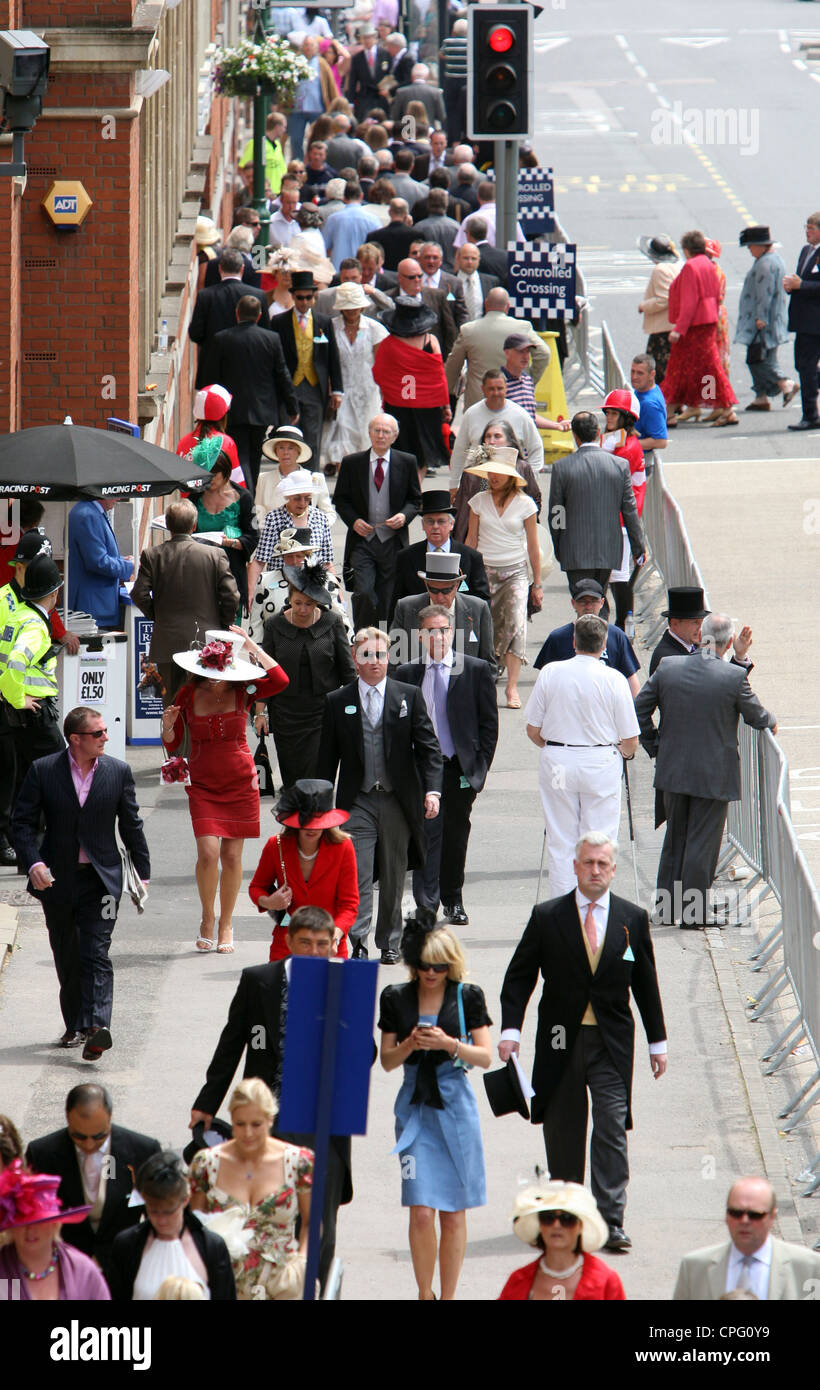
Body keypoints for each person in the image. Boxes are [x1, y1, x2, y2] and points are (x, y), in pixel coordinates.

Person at [499, 832, 667, 1253]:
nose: (595, 870)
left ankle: (611, 1222)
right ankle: (568, 1215)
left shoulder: (632, 918)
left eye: (603, 864)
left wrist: (657, 1041)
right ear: (575, 867)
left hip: (612, 1043)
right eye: (588, 863)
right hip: (560, 1042)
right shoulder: (547, 917)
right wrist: (511, 1031)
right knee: (564, 1130)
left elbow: (645, 983)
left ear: (612, 870)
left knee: (611, 1125)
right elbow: (520, 976)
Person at [189, 907, 349, 1291]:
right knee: (264, 1217)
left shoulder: (344, 985)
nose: (313, 952)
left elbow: (365, 1056)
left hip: (321, 1118)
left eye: (322, 945)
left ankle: (311, 1290)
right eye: (305, 943)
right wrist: (207, 1103)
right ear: (289, 942)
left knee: (319, 1223)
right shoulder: (259, 980)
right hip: (264, 1117)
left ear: (333, 946)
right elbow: (231, 1043)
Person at [14, 706, 150, 1060]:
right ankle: (75, 1022)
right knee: (67, 951)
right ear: (75, 739)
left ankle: (96, 1027)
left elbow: (131, 825)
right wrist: (34, 863)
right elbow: (22, 824)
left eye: (106, 731)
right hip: (56, 880)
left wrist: (142, 872)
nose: (106, 737)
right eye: (98, 733)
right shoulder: (44, 771)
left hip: (102, 879)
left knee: (96, 951)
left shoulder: (118, 772)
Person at [636, 613, 777, 928]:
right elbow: (756, 715)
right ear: (727, 643)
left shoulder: (669, 667)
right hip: (712, 774)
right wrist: (772, 721)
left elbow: (639, 710)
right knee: (703, 843)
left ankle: (667, 908)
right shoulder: (731, 677)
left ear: (700, 636)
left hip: (673, 769)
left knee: (676, 838)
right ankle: (692, 914)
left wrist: (655, 745)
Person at [378, 914, 491, 1300]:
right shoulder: (395, 997)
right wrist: (410, 1044)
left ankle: (448, 1296)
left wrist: (448, 1044)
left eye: (440, 966)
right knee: (421, 1210)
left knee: (454, 1212)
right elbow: (387, 1061)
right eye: (424, 965)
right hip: (414, 1108)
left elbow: (485, 1056)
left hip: (456, 1105)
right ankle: (424, 1293)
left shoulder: (467, 995)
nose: (431, 973)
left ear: (451, 964)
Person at [317, 626, 442, 962]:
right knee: (358, 873)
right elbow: (326, 759)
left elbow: (429, 748)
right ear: (355, 659)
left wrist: (433, 791)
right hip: (357, 801)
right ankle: (357, 939)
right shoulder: (338, 701)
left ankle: (389, 941)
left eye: (380, 655)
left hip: (398, 800)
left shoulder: (408, 696)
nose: (374, 661)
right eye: (366, 655)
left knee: (393, 874)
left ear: (389, 658)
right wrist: (319, 807)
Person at [161, 626, 288, 953]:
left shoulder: (244, 689)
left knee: (232, 856)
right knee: (208, 852)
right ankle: (207, 917)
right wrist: (167, 726)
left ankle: (226, 922)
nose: (217, 674)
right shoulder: (188, 694)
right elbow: (174, 745)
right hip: (203, 781)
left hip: (240, 780)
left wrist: (251, 645)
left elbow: (280, 680)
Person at [396, 605, 498, 923]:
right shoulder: (407, 673)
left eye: (443, 630)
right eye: (430, 631)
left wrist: (478, 768)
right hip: (423, 769)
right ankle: (427, 903)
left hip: (458, 768)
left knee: (455, 835)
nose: (438, 636)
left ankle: (453, 899)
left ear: (451, 633)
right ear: (421, 636)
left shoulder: (475, 669)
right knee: (426, 834)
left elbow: (489, 726)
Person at [524, 617, 640, 896]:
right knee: (599, 840)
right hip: (600, 760)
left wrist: (555, 748)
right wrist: (622, 753)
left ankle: (563, 911)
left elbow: (533, 730)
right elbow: (631, 740)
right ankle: (595, 905)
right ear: (603, 645)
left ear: (573, 642)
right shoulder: (614, 678)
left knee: (561, 839)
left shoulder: (551, 672)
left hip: (559, 757)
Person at [189, 1078, 312, 1301]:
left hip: (283, 1285)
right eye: (239, 1124)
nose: (247, 1133)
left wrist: (301, 1264)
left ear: (270, 1120)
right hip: (223, 1283)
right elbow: (194, 1226)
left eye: (256, 1124)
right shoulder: (206, 1163)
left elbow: (311, 1222)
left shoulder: (298, 1162)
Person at [25, 1084, 161, 1267]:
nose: (89, 1146)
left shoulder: (142, 1151)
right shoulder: (42, 1154)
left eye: (99, 1136)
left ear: (110, 1119)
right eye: (79, 1137)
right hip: (64, 1266)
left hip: (122, 1265)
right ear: (67, 1119)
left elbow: (159, 1213)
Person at [254, 559, 356, 786]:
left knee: (317, 774)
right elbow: (265, 672)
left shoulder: (333, 622)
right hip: (285, 714)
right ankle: (295, 819)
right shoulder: (274, 626)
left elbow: (347, 670)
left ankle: (319, 820)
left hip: (323, 712)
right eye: (297, 603)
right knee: (292, 777)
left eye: (309, 604)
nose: (302, 609)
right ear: (289, 599)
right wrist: (259, 713)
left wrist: (354, 708)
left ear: (318, 602)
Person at [131, 500, 240, 709]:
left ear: (168, 526)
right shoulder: (215, 554)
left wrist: (157, 615)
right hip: (206, 642)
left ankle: (176, 743)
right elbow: (231, 596)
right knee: (203, 705)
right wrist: (222, 625)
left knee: (172, 706)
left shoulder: (153, 555)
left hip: (167, 640)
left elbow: (139, 593)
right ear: (194, 526)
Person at [548, 412, 645, 618]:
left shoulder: (562, 468)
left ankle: (590, 640)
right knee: (598, 598)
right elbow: (629, 510)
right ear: (598, 432)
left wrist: (559, 546)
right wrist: (638, 546)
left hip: (574, 549)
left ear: (574, 435)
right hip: (607, 547)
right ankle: (600, 638)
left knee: (583, 601)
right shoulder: (619, 466)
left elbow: (557, 514)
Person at [249, 779, 358, 960]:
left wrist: (334, 937)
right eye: (306, 821)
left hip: (329, 945)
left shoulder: (343, 846)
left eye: (318, 822)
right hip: (286, 945)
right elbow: (256, 887)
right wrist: (269, 902)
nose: (311, 828)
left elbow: (349, 905)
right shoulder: (276, 845)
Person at [105, 1151, 236, 1301]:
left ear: (185, 1200)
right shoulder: (127, 1245)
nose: (161, 1220)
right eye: (153, 1211)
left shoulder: (212, 1247)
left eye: (169, 1212)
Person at [464, 452, 541, 709]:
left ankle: (511, 687)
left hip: (516, 572)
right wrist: (461, 575)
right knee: (489, 626)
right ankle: (488, 675)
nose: (493, 477)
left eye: (498, 472)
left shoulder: (526, 504)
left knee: (516, 624)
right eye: (490, 472)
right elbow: (470, 542)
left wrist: (537, 583)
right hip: (484, 571)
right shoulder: (478, 501)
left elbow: (533, 546)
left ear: (511, 476)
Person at [334, 413, 422, 630]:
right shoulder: (352, 463)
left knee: (388, 595)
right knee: (363, 592)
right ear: (369, 433)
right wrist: (353, 521)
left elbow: (415, 500)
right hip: (363, 541)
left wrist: (404, 516)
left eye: (386, 432)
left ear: (395, 436)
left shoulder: (407, 462)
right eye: (377, 430)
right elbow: (341, 500)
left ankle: (384, 644)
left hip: (392, 542)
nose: (381, 435)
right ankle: (362, 636)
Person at [673, 1175, 820, 1300]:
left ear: (772, 1217)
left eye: (755, 1215)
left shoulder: (808, 1267)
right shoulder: (694, 1267)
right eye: (736, 1213)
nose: (744, 1221)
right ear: (726, 1215)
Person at [210, 294, 299, 491]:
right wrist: (292, 406)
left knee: (240, 455)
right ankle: (251, 495)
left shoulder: (221, 339)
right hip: (262, 409)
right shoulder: (271, 339)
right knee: (254, 455)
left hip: (232, 410)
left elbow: (213, 377)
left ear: (236, 314)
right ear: (259, 316)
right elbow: (282, 374)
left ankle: (247, 495)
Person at [1, 555, 66, 815]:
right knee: (58, 777)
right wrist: (19, 699)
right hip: (34, 713)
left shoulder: (18, 615)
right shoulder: (35, 626)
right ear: (54, 594)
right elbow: (16, 661)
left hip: (17, 714)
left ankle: (26, 845)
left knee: (26, 782)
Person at [0, 1159, 110, 1299]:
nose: (30, 1230)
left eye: (39, 1222)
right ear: (11, 1228)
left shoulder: (82, 1271)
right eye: (22, 1224)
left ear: (55, 1224)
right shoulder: (3, 1269)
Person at [661, 229, 738, 427]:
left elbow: (689, 302)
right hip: (708, 322)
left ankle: (726, 408)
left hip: (693, 326)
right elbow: (715, 296)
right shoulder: (709, 265)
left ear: (686, 250)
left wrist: (679, 329)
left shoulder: (691, 267)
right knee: (696, 366)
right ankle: (674, 409)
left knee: (689, 366)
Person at [499, 1181, 626, 1301]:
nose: (556, 1225)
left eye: (567, 1218)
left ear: (580, 1226)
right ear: (540, 1226)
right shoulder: (517, 1281)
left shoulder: (606, 1281)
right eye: (548, 1218)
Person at [269, 269, 344, 466]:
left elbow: (333, 356)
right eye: (300, 298)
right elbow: (274, 359)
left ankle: (311, 484)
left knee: (312, 439)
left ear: (314, 298)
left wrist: (337, 390)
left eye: (308, 298)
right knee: (288, 438)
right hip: (288, 387)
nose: (303, 302)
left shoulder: (324, 322)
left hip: (314, 387)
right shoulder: (279, 322)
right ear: (293, 296)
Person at [372, 296, 451, 479]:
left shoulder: (388, 344)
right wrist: (446, 406)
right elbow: (439, 377)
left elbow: (379, 374)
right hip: (428, 408)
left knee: (400, 450)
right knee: (421, 453)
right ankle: (418, 488)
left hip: (398, 406)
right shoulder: (430, 341)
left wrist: (389, 392)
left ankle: (405, 490)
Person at [445, 288, 550, 411]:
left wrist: (449, 392)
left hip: (478, 401)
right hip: (514, 399)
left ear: (486, 303)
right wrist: (528, 381)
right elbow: (544, 354)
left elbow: (453, 365)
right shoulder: (522, 327)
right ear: (508, 306)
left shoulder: (468, 330)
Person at [391, 552, 495, 674]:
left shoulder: (478, 609)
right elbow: (393, 662)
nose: (440, 597)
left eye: (446, 590)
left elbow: (489, 666)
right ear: (426, 584)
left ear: (457, 585)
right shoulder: (406, 608)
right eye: (433, 590)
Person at [449, 369, 545, 500]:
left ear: (506, 388)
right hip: (479, 480)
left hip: (511, 482)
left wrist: (530, 478)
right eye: (491, 389)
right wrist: (454, 483)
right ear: (483, 389)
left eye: (500, 388)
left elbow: (536, 447)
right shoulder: (471, 414)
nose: (496, 393)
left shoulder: (520, 414)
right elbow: (460, 451)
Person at [322, 282, 389, 470]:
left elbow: (381, 362)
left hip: (367, 386)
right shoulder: (331, 327)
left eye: (354, 307)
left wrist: (384, 390)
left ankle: (364, 466)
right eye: (347, 307)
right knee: (341, 427)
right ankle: (340, 465)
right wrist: (331, 387)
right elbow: (326, 360)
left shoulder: (374, 328)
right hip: (341, 386)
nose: (351, 311)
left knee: (366, 428)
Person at [390, 489, 490, 610]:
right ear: (422, 525)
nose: (435, 526)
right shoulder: (406, 557)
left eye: (441, 521)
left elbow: (482, 600)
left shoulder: (471, 557)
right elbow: (397, 601)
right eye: (430, 521)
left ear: (451, 524)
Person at [535, 580, 640, 695]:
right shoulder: (558, 637)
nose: (588, 606)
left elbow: (631, 677)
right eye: (582, 601)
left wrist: (637, 710)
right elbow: (544, 679)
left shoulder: (616, 635)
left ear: (602, 602)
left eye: (594, 601)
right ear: (573, 603)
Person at [188, 248, 270, 389]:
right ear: (242, 269)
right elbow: (264, 332)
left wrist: (211, 343)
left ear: (220, 269)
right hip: (247, 367)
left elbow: (195, 333)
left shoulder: (205, 296)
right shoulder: (258, 295)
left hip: (213, 369)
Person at [250, 467, 335, 602]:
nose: (302, 503)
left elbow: (327, 562)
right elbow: (260, 560)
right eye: (297, 498)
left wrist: (337, 595)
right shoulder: (274, 517)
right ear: (288, 496)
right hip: (279, 588)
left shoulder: (321, 518)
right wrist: (251, 594)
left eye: (307, 498)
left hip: (313, 590)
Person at [599, 389, 647, 631]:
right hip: (610, 519)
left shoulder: (627, 447)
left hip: (622, 523)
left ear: (626, 417)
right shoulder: (610, 440)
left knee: (618, 578)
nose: (608, 417)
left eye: (614, 413)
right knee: (612, 576)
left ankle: (623, 622)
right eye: (607, 412)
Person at [736, 225, 796, 412]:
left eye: (751, 246)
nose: (749, 250)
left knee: (758, 359)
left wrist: (761, 317)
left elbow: (764, 293)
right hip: (774, 319)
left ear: (760, 245)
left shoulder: (764, 264)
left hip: (762, 321)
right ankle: (761, 396)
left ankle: (785, 383)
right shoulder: (774, 259)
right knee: (764, 356)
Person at [192, 456, 257, 621]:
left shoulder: (244, 498)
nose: (210, 479)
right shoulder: (194, 498)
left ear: (226, 472)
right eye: (205, 474)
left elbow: (253, 536)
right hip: (201, 575)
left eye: (214, 474)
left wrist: (233, 542)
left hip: (231, 575)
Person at [67, 496, 133, 631]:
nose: (119, 498)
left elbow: (98, 554)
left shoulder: (89, 512)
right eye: (115, 492)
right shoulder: (88, 515)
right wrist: (129, 566)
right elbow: (97, 562)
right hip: (92, 606)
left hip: (95, 604)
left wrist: (121, 561)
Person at [784, 211, 820, 431]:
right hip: (804, 321)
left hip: (815, 321)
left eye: (811, 228)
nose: (807, 232)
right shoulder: (806, 251)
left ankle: (810, 415)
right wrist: (792, 286)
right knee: (802, 366)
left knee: (806, 367)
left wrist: (801, 286)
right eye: (806, 228)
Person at [256, 423, 336, 522]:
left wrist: (315, 528)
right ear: (275, 451)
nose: (286, 452)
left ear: (298, 452)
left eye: (291, 448)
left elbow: (329, 513)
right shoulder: (264, 478)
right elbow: (258, 512)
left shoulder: (315, 478)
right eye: (281, 447)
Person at [176, 382, 245, 487]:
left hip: (188, 502)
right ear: (224, 415)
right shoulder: (226, 442)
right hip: (219, 502)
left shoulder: (183, 442)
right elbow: (237, 483)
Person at [386, 256, 458, 357]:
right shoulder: (387, 298)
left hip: (430, 358)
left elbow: (449, 331)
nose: (417, 280)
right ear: (400, 278)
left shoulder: (437, 296)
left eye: (420, 276)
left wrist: (447, 361)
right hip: (399, 359)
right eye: (411, 277)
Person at [636, 232, 680, 384]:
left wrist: (644, 306)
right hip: (671, 325)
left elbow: (664, 299)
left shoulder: (660, 269)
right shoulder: (675, 266)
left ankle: (666, 403)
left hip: (662, 328)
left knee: (659, 370)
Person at [288, 35, 336, 160]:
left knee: (318, 139)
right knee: (296, 139)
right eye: (306, 45)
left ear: (316, 48)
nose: (308, 48)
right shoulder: (295, 62)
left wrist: (334, 104)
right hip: (297, 108)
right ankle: (298, 162)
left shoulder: (322, 63)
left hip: (317, 108)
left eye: (311, 45)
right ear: (302, 47)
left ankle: (315, 161)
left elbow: (331, 85)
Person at [347, 24, 392, 120]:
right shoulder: (357, 58)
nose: (367, 41)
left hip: (381, 96)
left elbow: (390, 74)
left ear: (375, 38)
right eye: (364, 38)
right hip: (365, 97)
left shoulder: (384, 54)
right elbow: (352, 81)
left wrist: (388, 91)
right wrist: (350, 101)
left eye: (369, 37)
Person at [629, 353, 668, 455]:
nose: (634, 377)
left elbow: (661, 441)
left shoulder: (649, 404)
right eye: (632, 372)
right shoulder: (642, 390)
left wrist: (626, 444)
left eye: (640, 373)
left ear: (652, 375)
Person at [389, 62, 446, 129]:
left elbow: (394, 116)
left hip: (407, 132)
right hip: (427, 132)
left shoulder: (401, 92)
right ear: (427, 76)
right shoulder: (435, 93)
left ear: (412, 76)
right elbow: (442, 116)